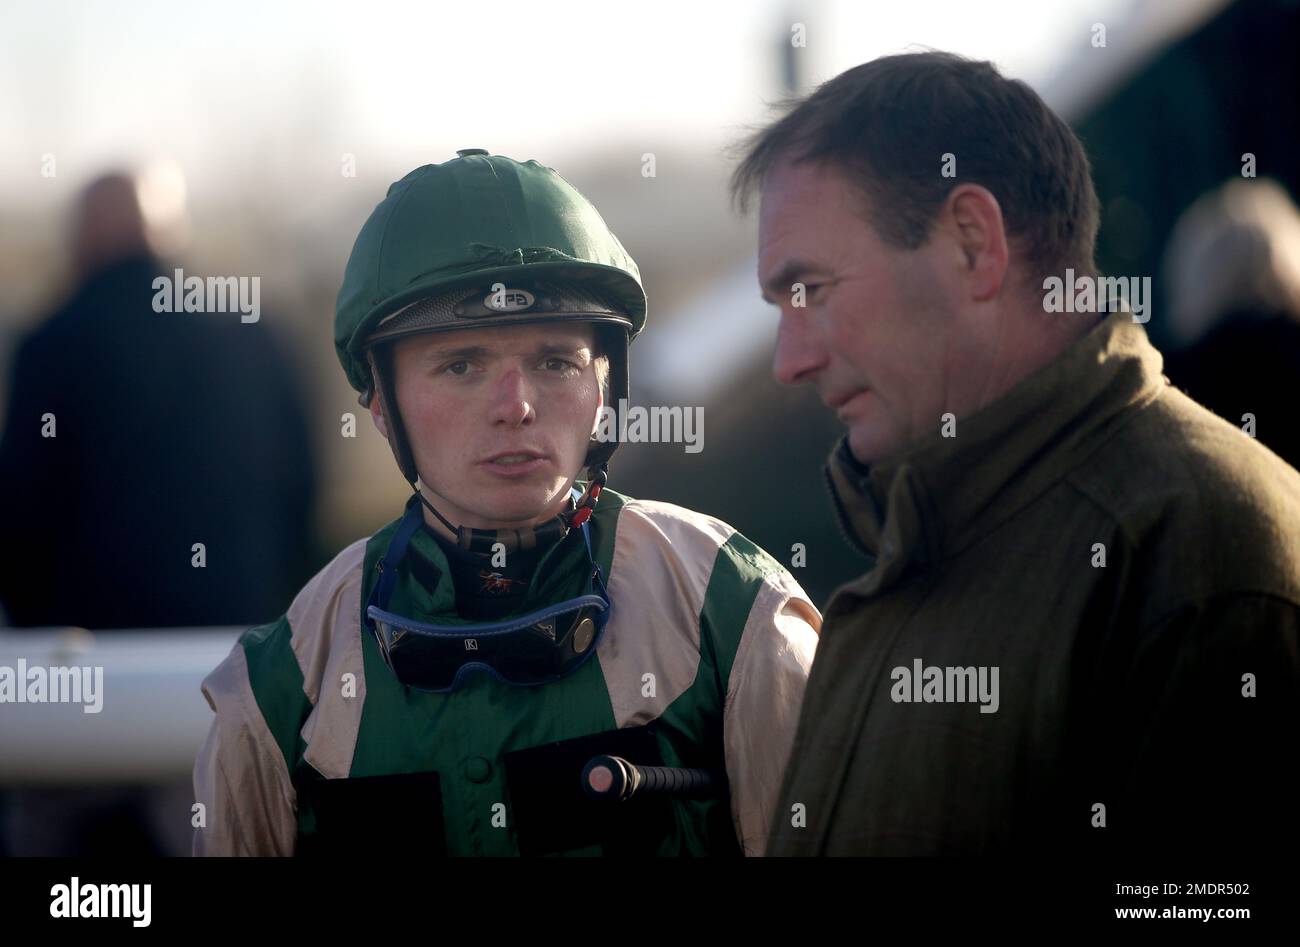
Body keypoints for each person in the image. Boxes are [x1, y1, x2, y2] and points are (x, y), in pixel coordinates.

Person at [730, 52, 1300, 855]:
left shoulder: (1206, 551)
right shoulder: (917, 545)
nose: (789, 362)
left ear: (972, 242)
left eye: (811, 291)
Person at [192, 150, 820, 857]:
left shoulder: (735, 611)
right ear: (379, 403)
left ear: (605, 388)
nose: (517, 406)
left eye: (556, 361)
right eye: (462, 366)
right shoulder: (283, 679)